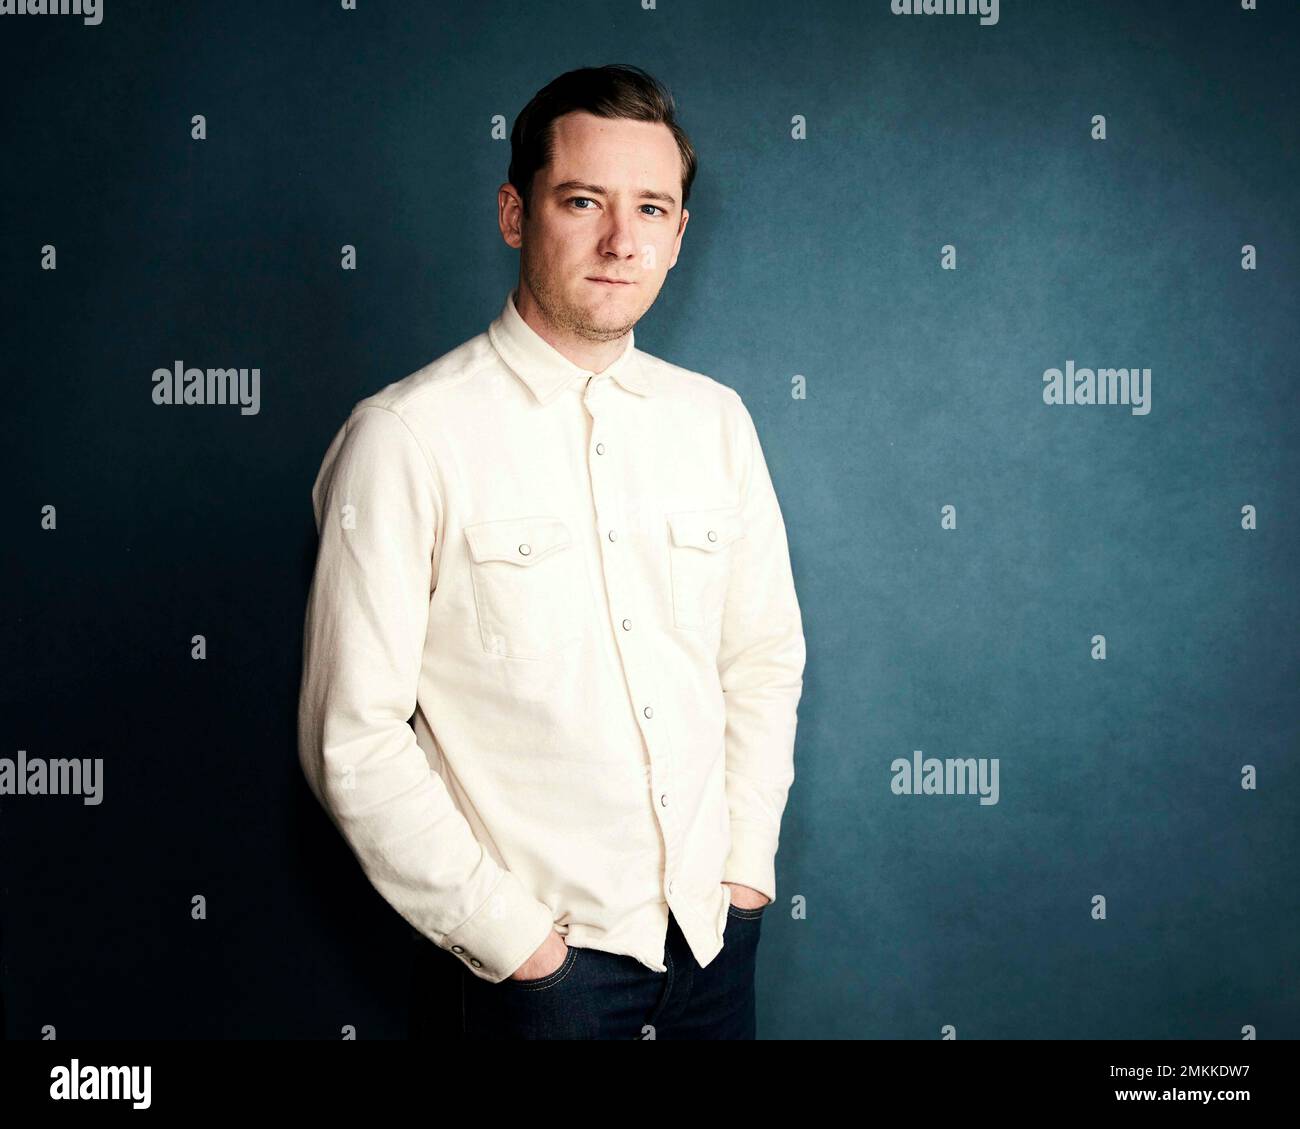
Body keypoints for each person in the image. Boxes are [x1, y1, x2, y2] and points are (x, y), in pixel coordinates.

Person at [297, 63, 806, 1040]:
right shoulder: (404, 435)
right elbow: (350, 737)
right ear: (513, 213)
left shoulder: (716, 423)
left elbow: (758, 659)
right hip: (536, 986)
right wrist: (522, 950)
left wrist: (742, 873)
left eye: (651, 208)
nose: (622, 241)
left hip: (709, 953)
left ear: (679, 234)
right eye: (583, 200)